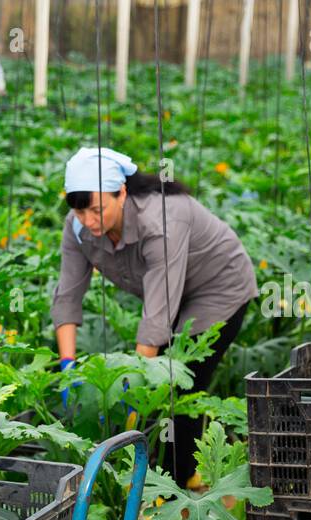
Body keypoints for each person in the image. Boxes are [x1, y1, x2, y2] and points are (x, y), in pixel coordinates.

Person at [50, 146, 258, 488]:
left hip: (219, 289)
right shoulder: (77, 228)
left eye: (97, 210)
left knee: (176, 385)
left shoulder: (162, 221)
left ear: (122, 194)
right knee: (160, 383)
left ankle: (173, 485)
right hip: (171, 294)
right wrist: (67, 365)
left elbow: (157, 318)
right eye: (79, 211)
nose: (88, 221)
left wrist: (131, 387)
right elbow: (68, 295)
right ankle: (152, 479)